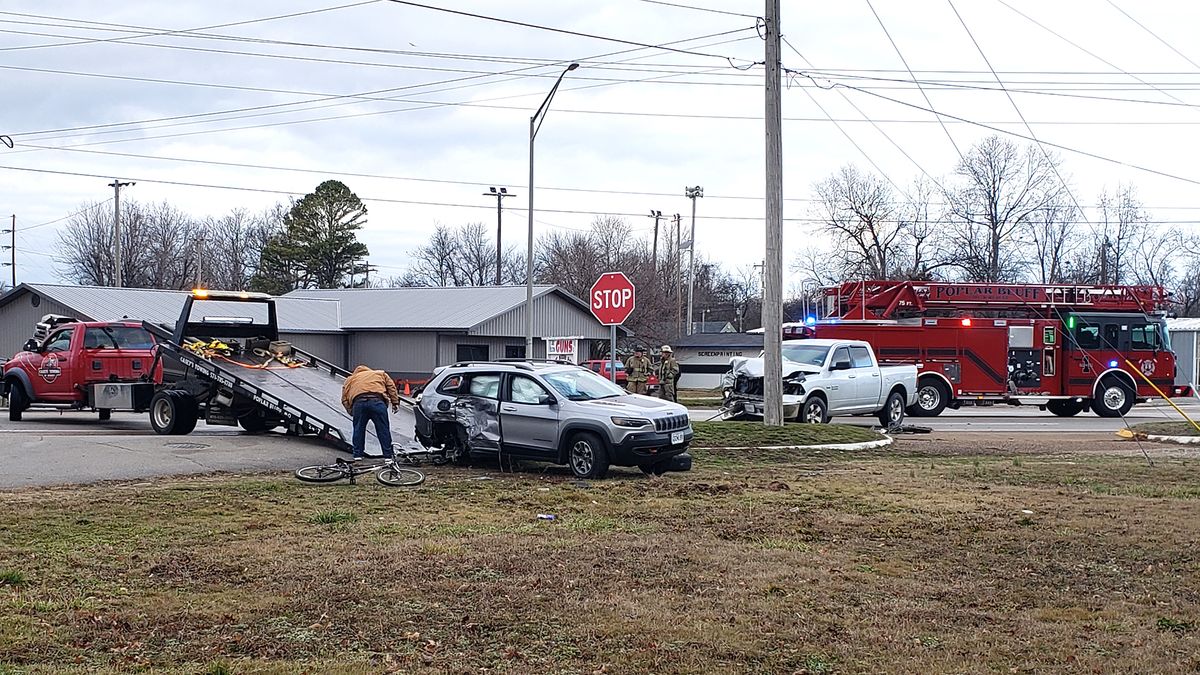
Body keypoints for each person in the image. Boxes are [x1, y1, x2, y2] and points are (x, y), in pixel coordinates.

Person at [341, 365, 400, 461]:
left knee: (358, 429)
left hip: (359, 403)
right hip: (377, 401)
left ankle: (357, 456)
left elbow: (344, 398)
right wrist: (395, 403)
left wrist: (351, 411)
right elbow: (391, 387)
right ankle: (388, 457)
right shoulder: (380, 373)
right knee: (383, 429)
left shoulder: (350, 379)